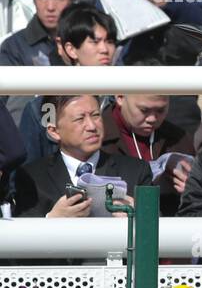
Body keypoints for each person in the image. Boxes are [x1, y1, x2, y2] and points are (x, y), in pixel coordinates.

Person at [12, 93, 151, 217]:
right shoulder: (31, 177)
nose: (91, 126)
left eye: (96, 115)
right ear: (54, 131)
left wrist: (138, 215)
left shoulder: (136, 171)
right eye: (80, 119)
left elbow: (157, 231)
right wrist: (52, 219)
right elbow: (20, 238)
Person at [16, 4, 118, 161]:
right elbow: (25, 175)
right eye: (95, 41)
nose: (104, 49)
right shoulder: (42, 108)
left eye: (109, 41)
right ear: (70, 49)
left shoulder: (123, 100)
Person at [99, 89, 195, 216]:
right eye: (144, 110)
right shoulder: (96, 137)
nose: (152, 118)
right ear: (120, 97)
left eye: (160, 110)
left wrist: (192, 189)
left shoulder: (179, 139)